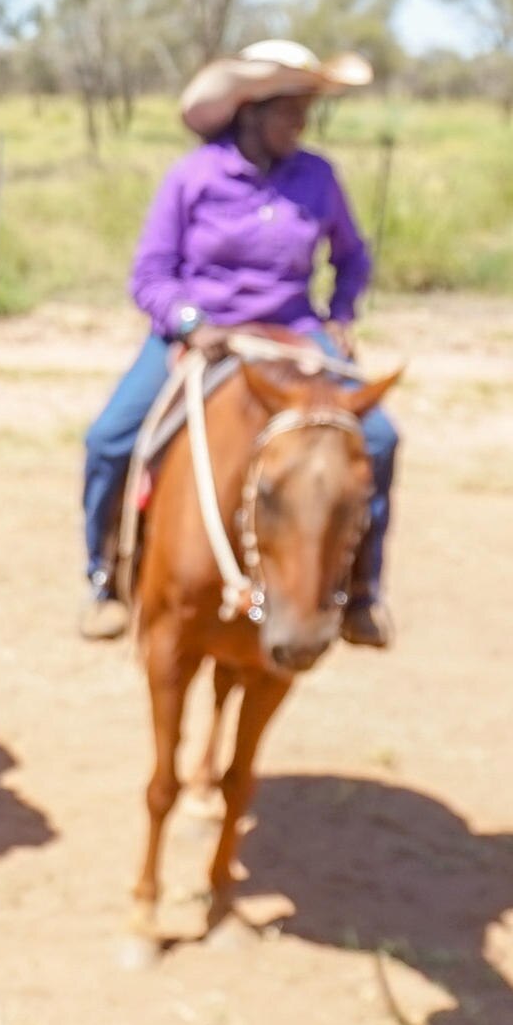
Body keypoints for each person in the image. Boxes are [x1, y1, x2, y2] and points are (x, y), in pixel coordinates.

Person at [77, 41, 398, 644]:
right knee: (110, 439)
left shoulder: (319, 177)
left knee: (379, 437)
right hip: (205, 334)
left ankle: (361, 593)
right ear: (250, 110)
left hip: (294, 336)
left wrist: (341, 316)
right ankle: (105, 579)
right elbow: (150, 275)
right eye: (289, 110)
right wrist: (192, 322)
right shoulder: (194, 176)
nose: (301, 123)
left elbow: (352, 258)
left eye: (307, 110)